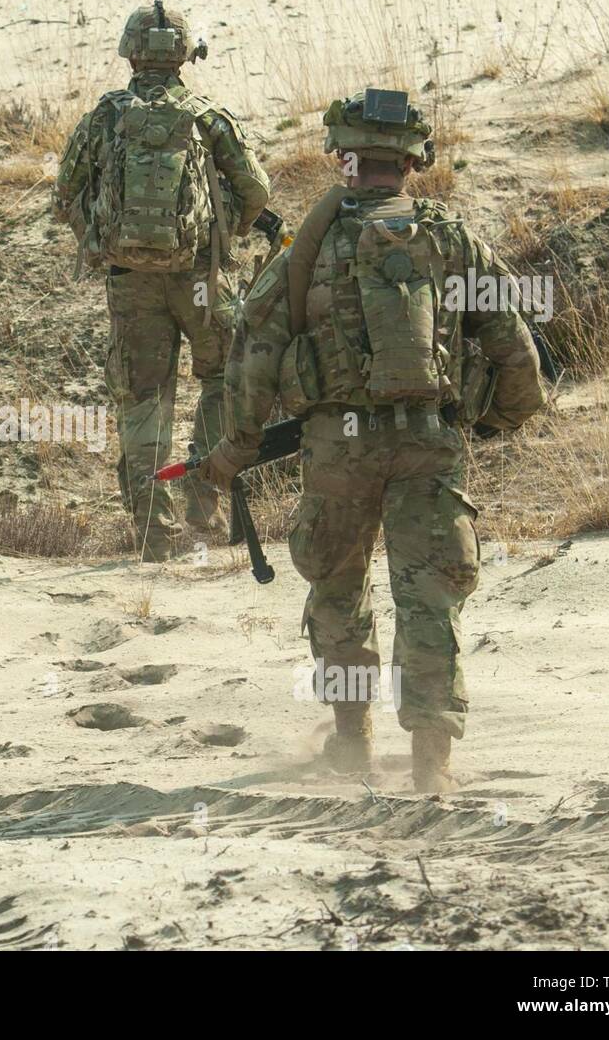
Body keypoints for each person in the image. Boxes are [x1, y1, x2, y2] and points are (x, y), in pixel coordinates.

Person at [199, 89, 546, 791]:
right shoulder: (451, 239)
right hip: (428, 443)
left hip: (337, 450)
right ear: (413, 160)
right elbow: (516, 351)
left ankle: (352, 744)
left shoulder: (308, 247)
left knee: (337, 589)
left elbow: (254, 355)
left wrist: (231, 454)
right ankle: (431, 763)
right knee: (428, 596)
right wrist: (499, 420)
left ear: (341, 156)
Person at [54, 1, 272, 562]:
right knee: (223, 376)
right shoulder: (205, 115)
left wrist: (100, 239)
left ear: (130, 52)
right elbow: (256, 190)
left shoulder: (106, 116)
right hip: (200, 280)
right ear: (182, 55)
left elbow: (65, 191)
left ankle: (156, 534)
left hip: (130, 283)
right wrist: (223, 238)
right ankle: (204, 500)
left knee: (142, 398)